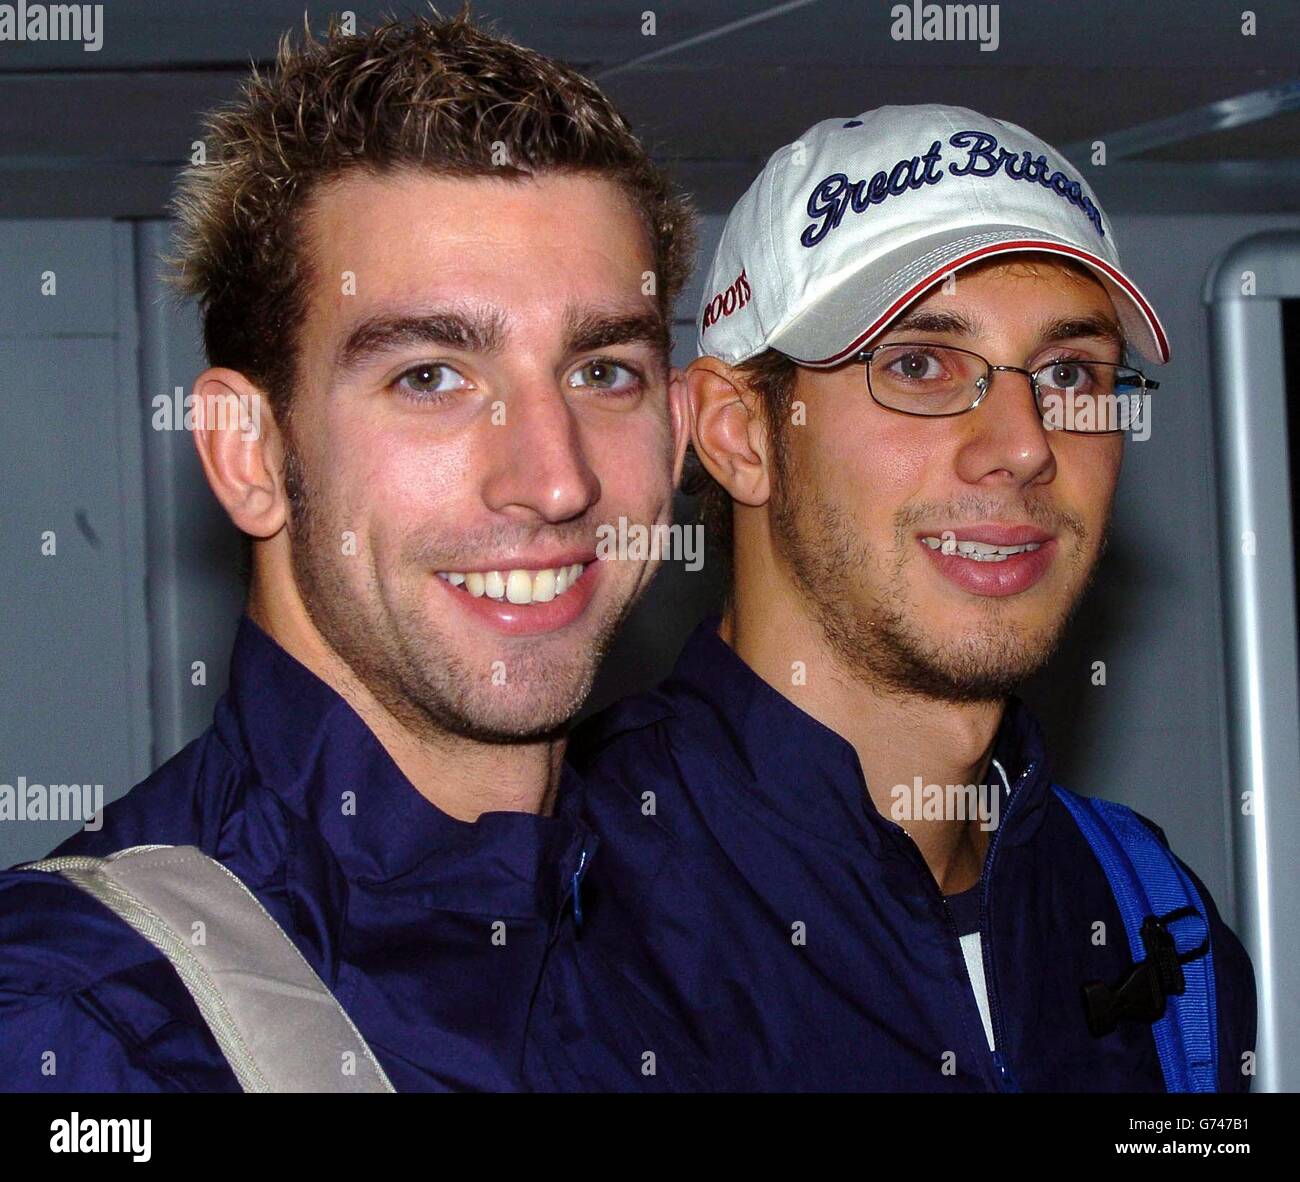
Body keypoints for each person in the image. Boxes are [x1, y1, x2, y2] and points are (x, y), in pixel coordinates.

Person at [0, 8, 694, 1091]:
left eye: (602, 372)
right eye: (429, 378)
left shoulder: (719, 930)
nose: (556, 480)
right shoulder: (86, 1025)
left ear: (682, 428)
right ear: (250, 453)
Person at [564, 103, 1257, 1091]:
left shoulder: (1150, 919)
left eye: (1070, 372)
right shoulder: (557, 919)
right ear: (737, 432)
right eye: (920, 365)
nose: (1023, 443)